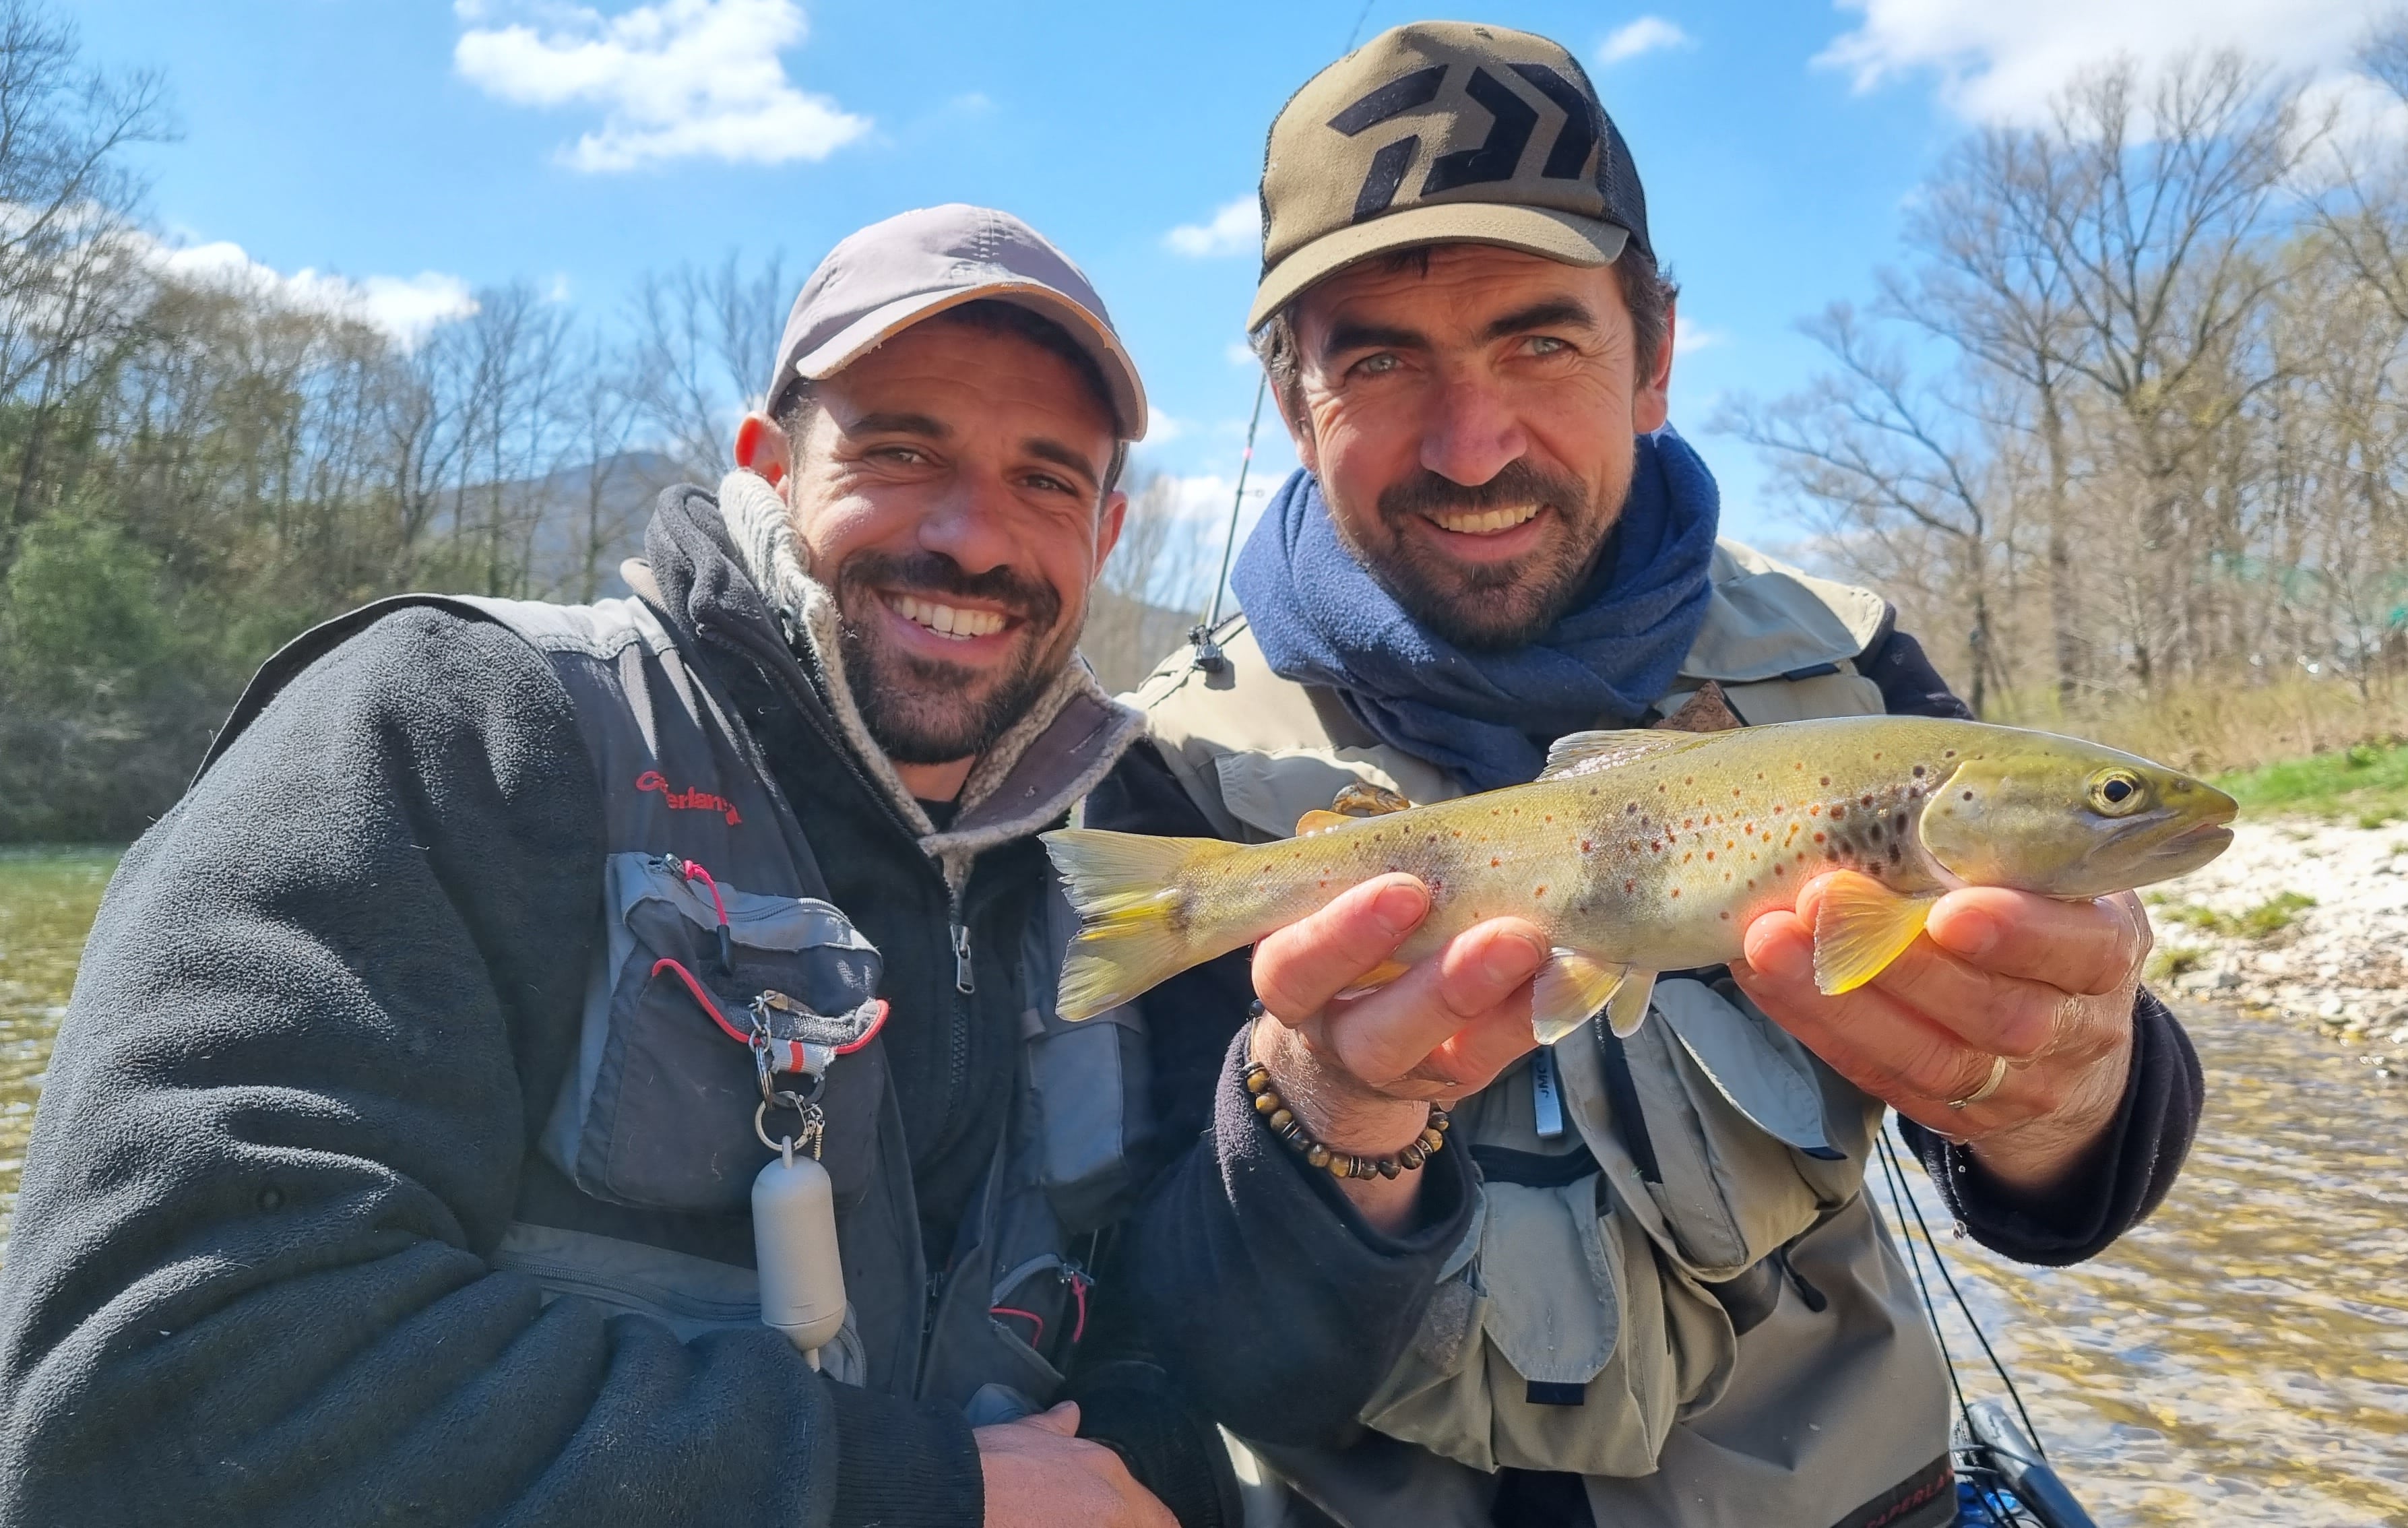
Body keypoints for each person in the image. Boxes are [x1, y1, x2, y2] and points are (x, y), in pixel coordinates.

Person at [1094, 24, 2204, 1528]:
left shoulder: (1852, 671)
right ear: (1296, 406)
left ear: (1657, 357)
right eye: (1380, 360)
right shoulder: (1173, 775)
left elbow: (2062, 1196)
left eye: (1542, 341)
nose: (1475, 445)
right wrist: (1314, 1127)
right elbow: (1160, 1343)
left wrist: (2067, 1087)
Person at [0, 206, 1242, 1527]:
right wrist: (915, 1492)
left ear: (1106, 538)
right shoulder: (452, 725)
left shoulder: (1123, 852)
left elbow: (1194, 1352)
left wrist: (1344, 1118)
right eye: (901, 448)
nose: (976, 538)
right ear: (765, 468)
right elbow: (143, 1390)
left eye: (1045, 480)